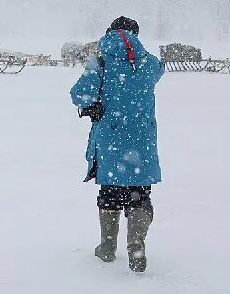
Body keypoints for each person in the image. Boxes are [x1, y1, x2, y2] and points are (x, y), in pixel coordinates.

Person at [70, 16, 164, 272]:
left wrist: (96, 101)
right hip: (142, 141)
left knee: (110, 193)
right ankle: (136, 244)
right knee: (139, 195)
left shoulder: (100, 62)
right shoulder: (148, 63)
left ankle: (108, 246)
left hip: (110, 139)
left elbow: (79, 95)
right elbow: (160, 69)